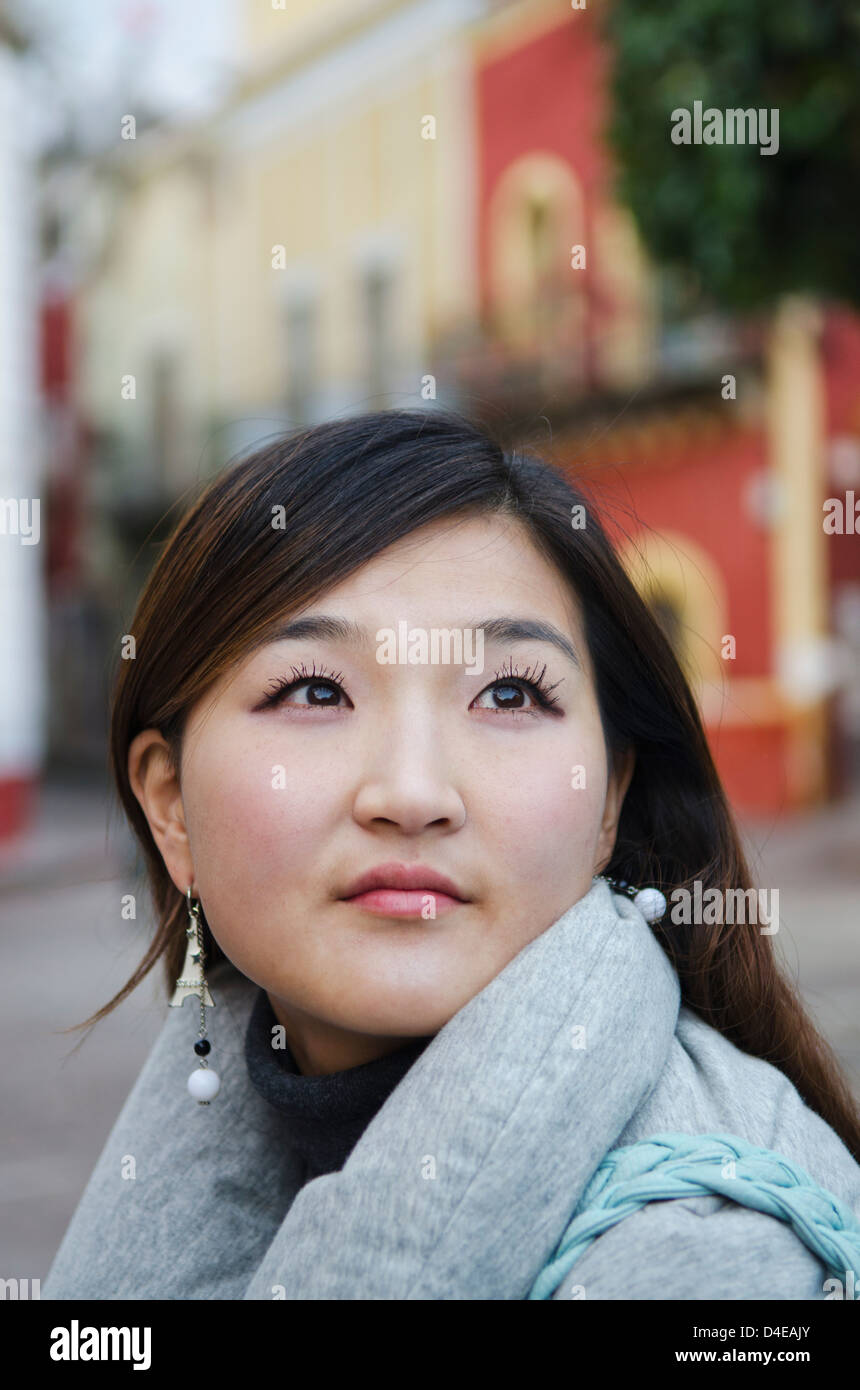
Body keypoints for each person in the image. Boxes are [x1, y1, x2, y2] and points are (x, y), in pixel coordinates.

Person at [43, 408, 860, 1300]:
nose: (413, 794)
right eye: (316, 690)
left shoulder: (711, 1262)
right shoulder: (238, 1097)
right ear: (169, 807)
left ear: (610, 802)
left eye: (508, 693)